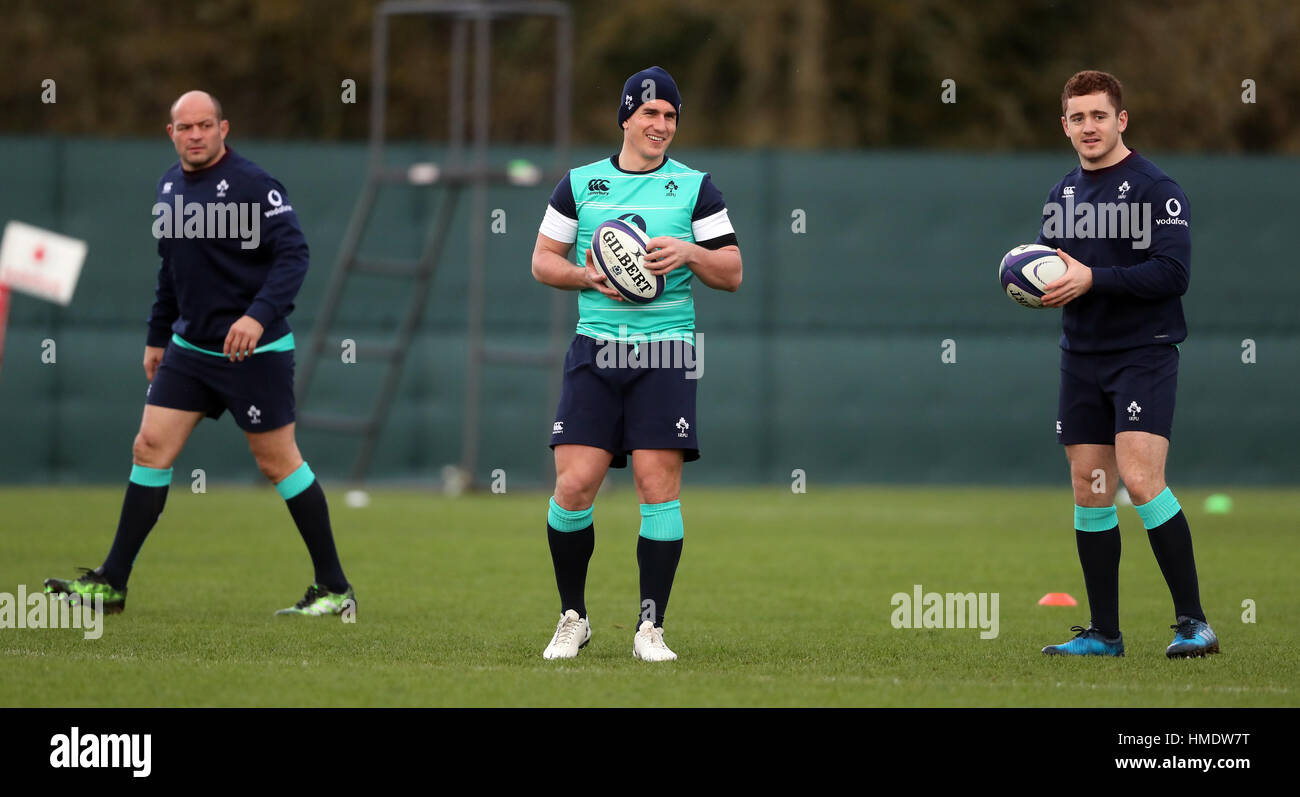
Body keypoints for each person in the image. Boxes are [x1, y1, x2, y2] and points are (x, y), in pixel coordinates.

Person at [44, 91, 355, 617]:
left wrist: (256, 316)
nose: (195, 135)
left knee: (277, 462)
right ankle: (111, 584)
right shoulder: (168, 186)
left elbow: (294, 255)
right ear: (171, 133)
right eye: (185, 127)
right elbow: (173, 269)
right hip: (189, 348)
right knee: (149, 448)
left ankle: (334, 588)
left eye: (204, 125)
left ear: (223, 128)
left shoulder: (255, 185)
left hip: (253, 352)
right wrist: (158, 335)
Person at [530, 67, 742, 661]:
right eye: (650, 114)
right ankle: (573, 616)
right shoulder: (579, 184)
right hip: (596, 350)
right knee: (573, 487)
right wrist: (585, 274)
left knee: (656, 487)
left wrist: (692, 253)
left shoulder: (697, 188)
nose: (661, 125)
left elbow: (733, 273)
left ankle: (651, 627)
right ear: (626, 117)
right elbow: (543, 261)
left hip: (667, 353)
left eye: (671, 116)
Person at [1034, 71, 1216, 657]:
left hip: (1143, 352)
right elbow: (1059, 268)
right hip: (1080, 356)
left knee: (1140, 480)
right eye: (1078, 117)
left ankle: (1194, 623)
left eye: (1099, 115)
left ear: (1121, 120)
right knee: (1091, 490)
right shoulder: (1062, 194)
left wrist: (1093, 279)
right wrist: (1034, 279)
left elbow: (1173, 273)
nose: (1089, 127)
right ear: (1065, 125)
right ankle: (1105, 634)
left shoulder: (1155, 188)